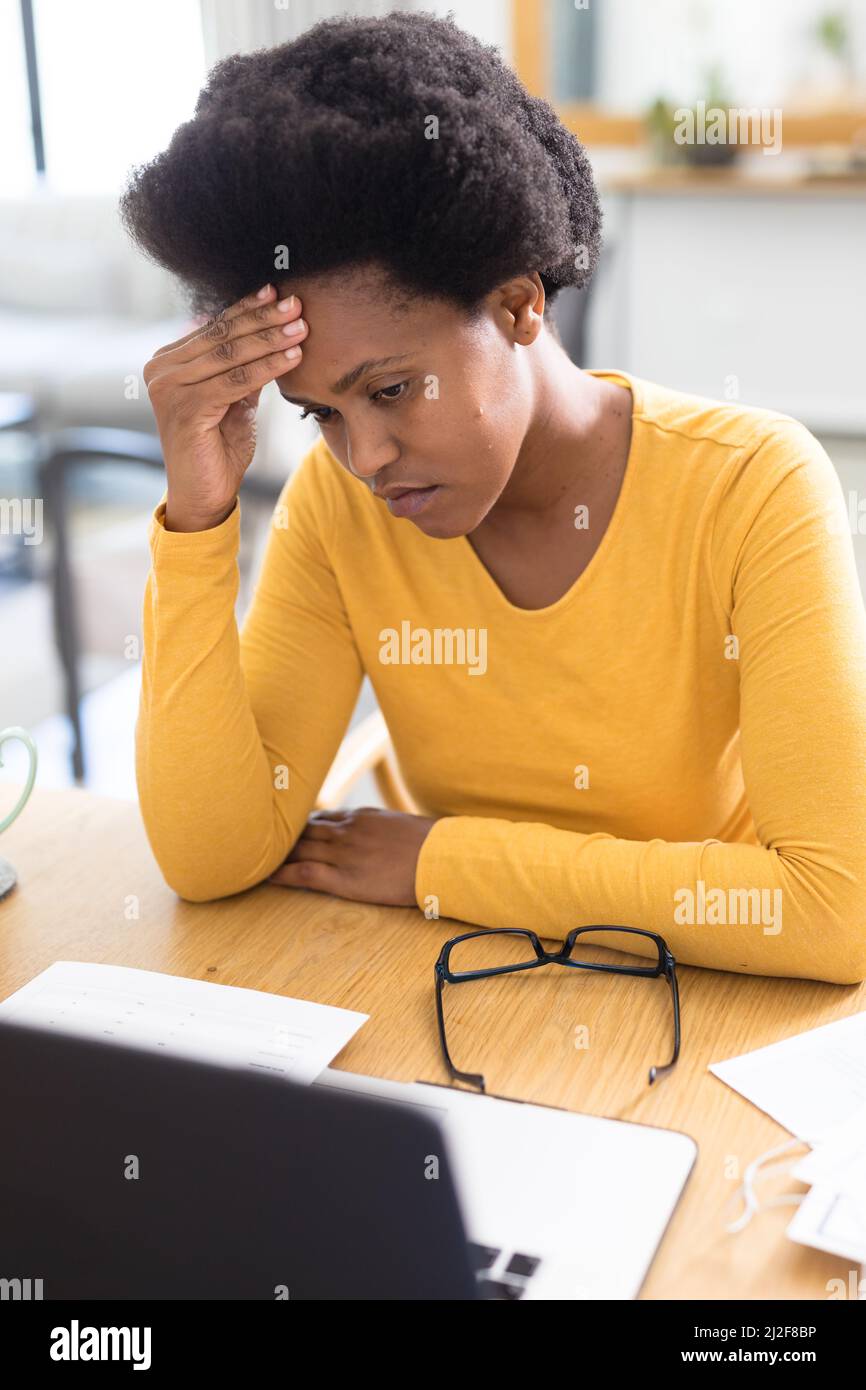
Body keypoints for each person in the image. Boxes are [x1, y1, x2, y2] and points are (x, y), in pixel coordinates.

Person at [120, 12, 866, 983]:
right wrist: (195, 520)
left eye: (389, 390)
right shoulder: (340, 512)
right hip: (473, 985)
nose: (366, 457)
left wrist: (440, 860)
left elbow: (830, 908)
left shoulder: (753, 485)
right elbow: (210, 858)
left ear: (519, 303)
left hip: (714, 1001)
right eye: (322, 415)